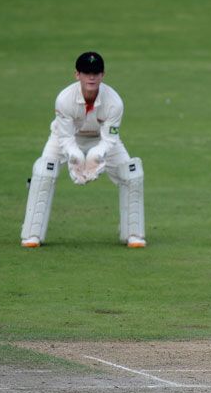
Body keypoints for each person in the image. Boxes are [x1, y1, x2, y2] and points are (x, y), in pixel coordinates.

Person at [20, 51, 146, 248]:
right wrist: (75, 155)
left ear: (103, 75)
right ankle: (32, 235)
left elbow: (110, 138)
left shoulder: (114, 102)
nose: (92, 77)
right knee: (44, 172)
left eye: (96, 73)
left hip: (102, 139)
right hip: (66, 138)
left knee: (131, 173)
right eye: (86, 72)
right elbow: (64, 137)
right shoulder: (64, 99)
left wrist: (97, 154)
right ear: (77, 74)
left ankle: (133, 235)